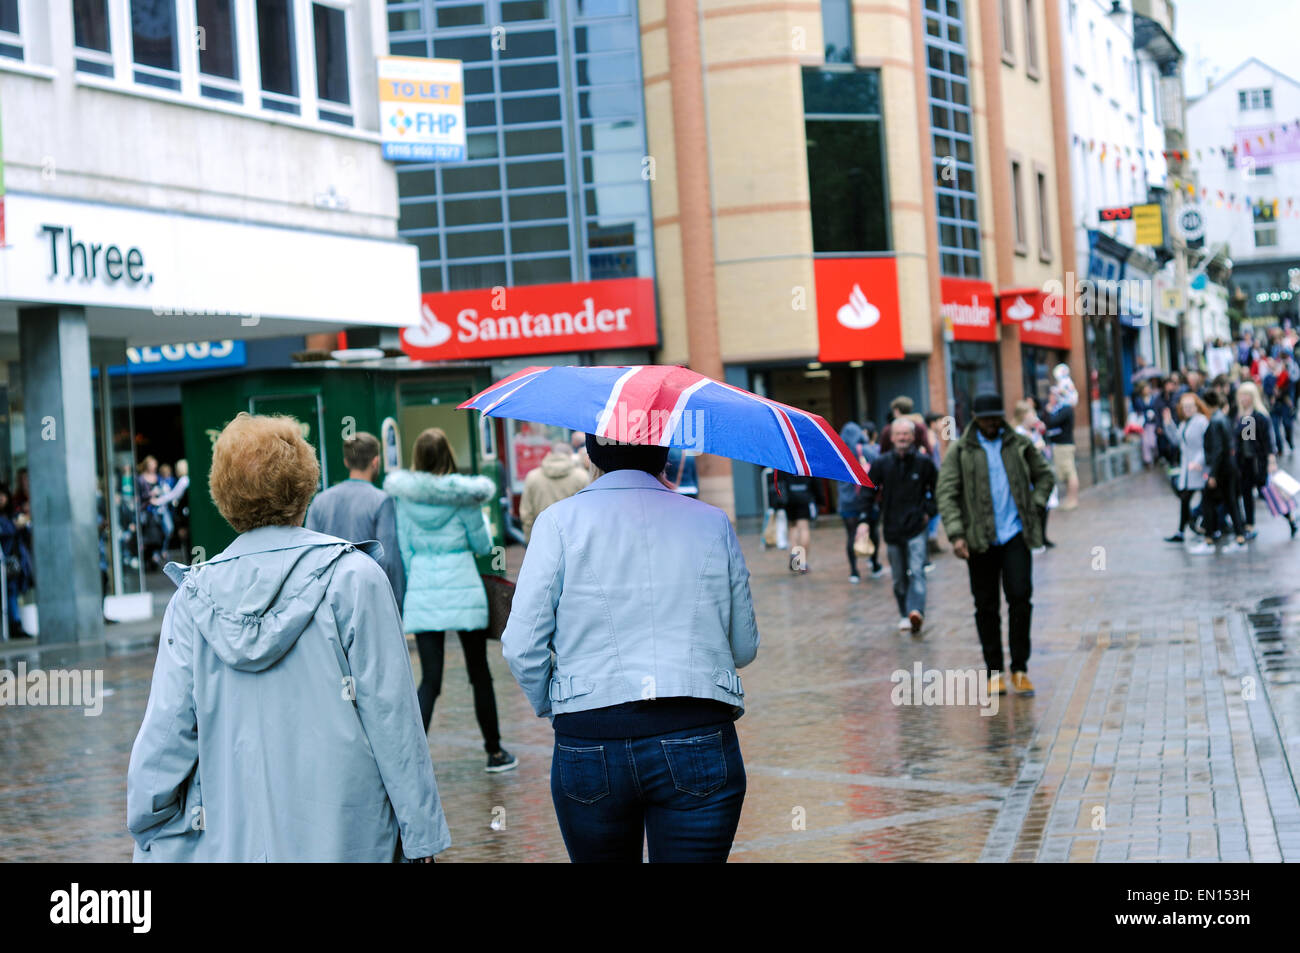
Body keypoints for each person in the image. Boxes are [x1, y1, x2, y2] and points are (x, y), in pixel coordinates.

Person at [126, 413, 449, 862]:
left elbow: (166, 734)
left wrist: (149, 824)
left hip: (231, 840)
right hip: (350, 839)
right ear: (304, 485)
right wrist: (422, 837)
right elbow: (394, 719)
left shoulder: (191, 601)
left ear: (223, 494)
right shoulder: (355, 580)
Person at [502, 434, 759, 863]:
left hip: (589, 737)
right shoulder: (711, 521)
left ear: (592, 453)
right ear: (662, 454)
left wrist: (559, 703)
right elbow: (744, 646)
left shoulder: (557, 522)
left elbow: (521, 646)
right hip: (695, 730)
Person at [384, 427, 518, 773]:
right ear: (448, 455)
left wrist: (423, 575)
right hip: (464, 589)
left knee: (430, 680)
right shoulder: (465, 498)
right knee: (479, 674)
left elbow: (406, 549)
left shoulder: (405, 499)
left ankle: (411, 760)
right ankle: (495, 752)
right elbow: (483, 547)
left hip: (425, 591)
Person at [936, 391, 1054, 697]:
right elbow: (946, 493)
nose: (991, 423)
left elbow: (1045, 476)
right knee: (985, 606)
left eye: (995, 417)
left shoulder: (1018, 443)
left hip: (1016, 534)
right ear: (976, 418)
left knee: (1020, 598)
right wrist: (956, 533)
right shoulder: (961, 450)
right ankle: (994, 672)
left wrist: (1035, 506)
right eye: (985, 418)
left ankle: (1020, 668)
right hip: (979, 540)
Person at [305, 433, 406, 607]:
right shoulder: (381, 501)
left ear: (346, 462)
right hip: (368, 598)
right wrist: (397, 603)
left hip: (328, 600)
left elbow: (309, 555)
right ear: (375, 462)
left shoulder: (320, 501)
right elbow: (388, 559)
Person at [865, 419, 937, 634]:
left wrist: (928, 512)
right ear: (892, 437)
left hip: (916, 526)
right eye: (899, 434)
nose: (903, 438)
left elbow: (938, 491)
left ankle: (916, 611)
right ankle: (905, 613)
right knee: (898, 578)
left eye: (906, 434)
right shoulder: (882, 463)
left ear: (913, 437)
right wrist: (864, 520)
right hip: (892, 527)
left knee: (916, 571)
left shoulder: (924, 463)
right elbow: (868, 490)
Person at [1234, 381, 1294, 538]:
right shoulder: (1242, 415)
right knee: (1247, 494)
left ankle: (1289, 517)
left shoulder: (1258, 417)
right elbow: (1244, 441)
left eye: (1246, 395)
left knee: (1269, 492)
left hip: (1257, 463)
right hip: (1245, 463)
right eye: (1241, 394)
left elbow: (1266, 441)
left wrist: (1271, 460)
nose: (1242, 398)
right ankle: (1250, 525)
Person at [1200, 389, 1247, 553]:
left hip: (1222, 470)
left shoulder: (1216, 420)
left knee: (1209, 500)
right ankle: (1238, 537)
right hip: (1228, 467)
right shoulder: (1222, 418)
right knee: (1231, 501)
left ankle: (1209, 539)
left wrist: (1212, 474)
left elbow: (1218, 449)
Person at [1161, 391, 1209, 545]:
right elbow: (1176, 440)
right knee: (1185, 498)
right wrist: (1168, 423)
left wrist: (1198, 462)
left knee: (1206, 499)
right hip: (1187, 468)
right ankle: (1182, 530)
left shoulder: (1201, 421)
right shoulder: (1183, 423)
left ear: (1197, 407)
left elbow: (1206, 445)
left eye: (1190, 406)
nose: (1187, 409)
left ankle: (1207, 528)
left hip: (1199, 467)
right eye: (1184, 407)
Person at [519, 441, 590, 542]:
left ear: (549, 454)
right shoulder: (581, 477)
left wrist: (530, 540)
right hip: (574, 540)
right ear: (570, 455)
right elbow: (587, 512)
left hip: (543, 539)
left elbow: (526, 514)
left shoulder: (533, 477)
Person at [838, 421, 880, 583]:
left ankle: (854, 571)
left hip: (847, 501)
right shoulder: (867, 451)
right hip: (867, 500)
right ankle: (875, 564)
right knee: (872, 531)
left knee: (851, 535)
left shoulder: (838, 454)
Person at [1012, 400, 1056, 549]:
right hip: (1029, 476)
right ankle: (1035, 538)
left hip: (1040, 472)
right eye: (1031, 415)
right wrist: (1037, 447)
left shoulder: (1033, 431)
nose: (1034, 418)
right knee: (1034, 508)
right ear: (1023, 416)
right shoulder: (1018, 433)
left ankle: (1043, 537)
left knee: (1044, 505)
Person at [0, 483, 33, 639]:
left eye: (3, 495)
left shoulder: (11, 515)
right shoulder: (8, 520)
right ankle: (14, 624)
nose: (1, 499)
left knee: (13, 591)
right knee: (10, 592)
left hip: (14, 561)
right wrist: (14, 526)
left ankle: (15, 623)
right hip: (4, 560)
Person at [1042, 380, 1079, 510]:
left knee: (1070, 473)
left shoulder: (1066, 409)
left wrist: (1048, 410)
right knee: (1066, 473)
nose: (1052, 398)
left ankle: (1072, 500)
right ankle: (1070, 499)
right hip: (1059, 444)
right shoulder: (1062, 408)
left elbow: (1051, 422)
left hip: (1064, 445)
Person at [774, 468, 816, 572]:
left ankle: (796, 560)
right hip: (804, 496)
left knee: (792, 527)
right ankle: (803, 563)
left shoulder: (784, 460)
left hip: (789, 497)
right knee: (804, 528)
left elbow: (778, 479)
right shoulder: (804, 460)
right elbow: (815, 481)